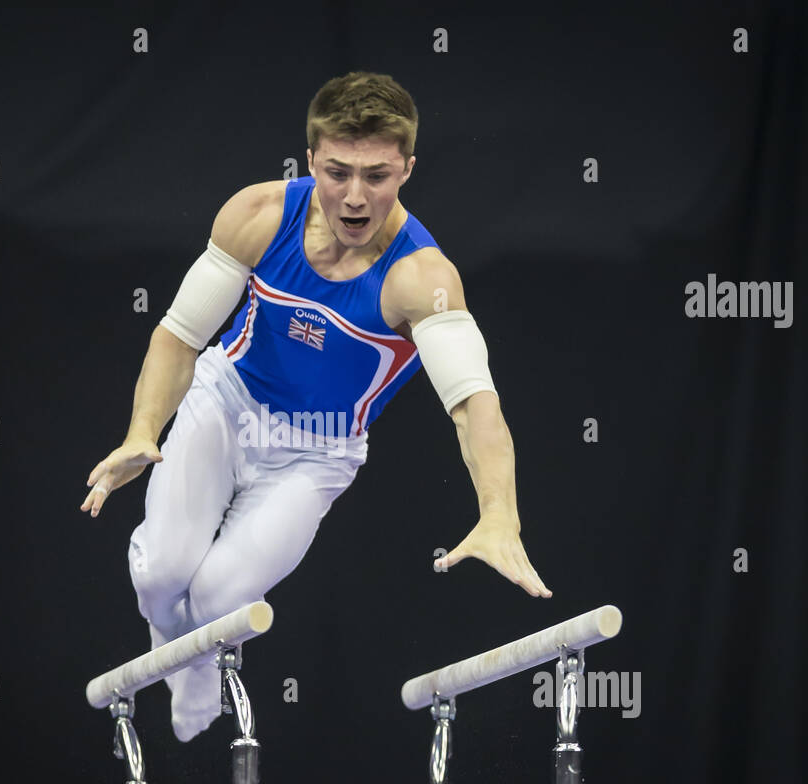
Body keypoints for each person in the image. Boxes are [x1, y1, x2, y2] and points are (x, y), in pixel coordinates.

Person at [82, 71, 551, 741]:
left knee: (221, 600)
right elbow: (180, 335)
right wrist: (142, 429)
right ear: (310, 160)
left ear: (408, 169)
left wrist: (500, 511)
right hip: (227, 404)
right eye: (338, 172)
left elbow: (475, 404)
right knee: (163, 577)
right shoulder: (258, 216)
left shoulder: (422, 279)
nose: (355, 197)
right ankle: (177, 651)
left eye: (378, 175)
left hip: (318, 451)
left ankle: (197, 655)